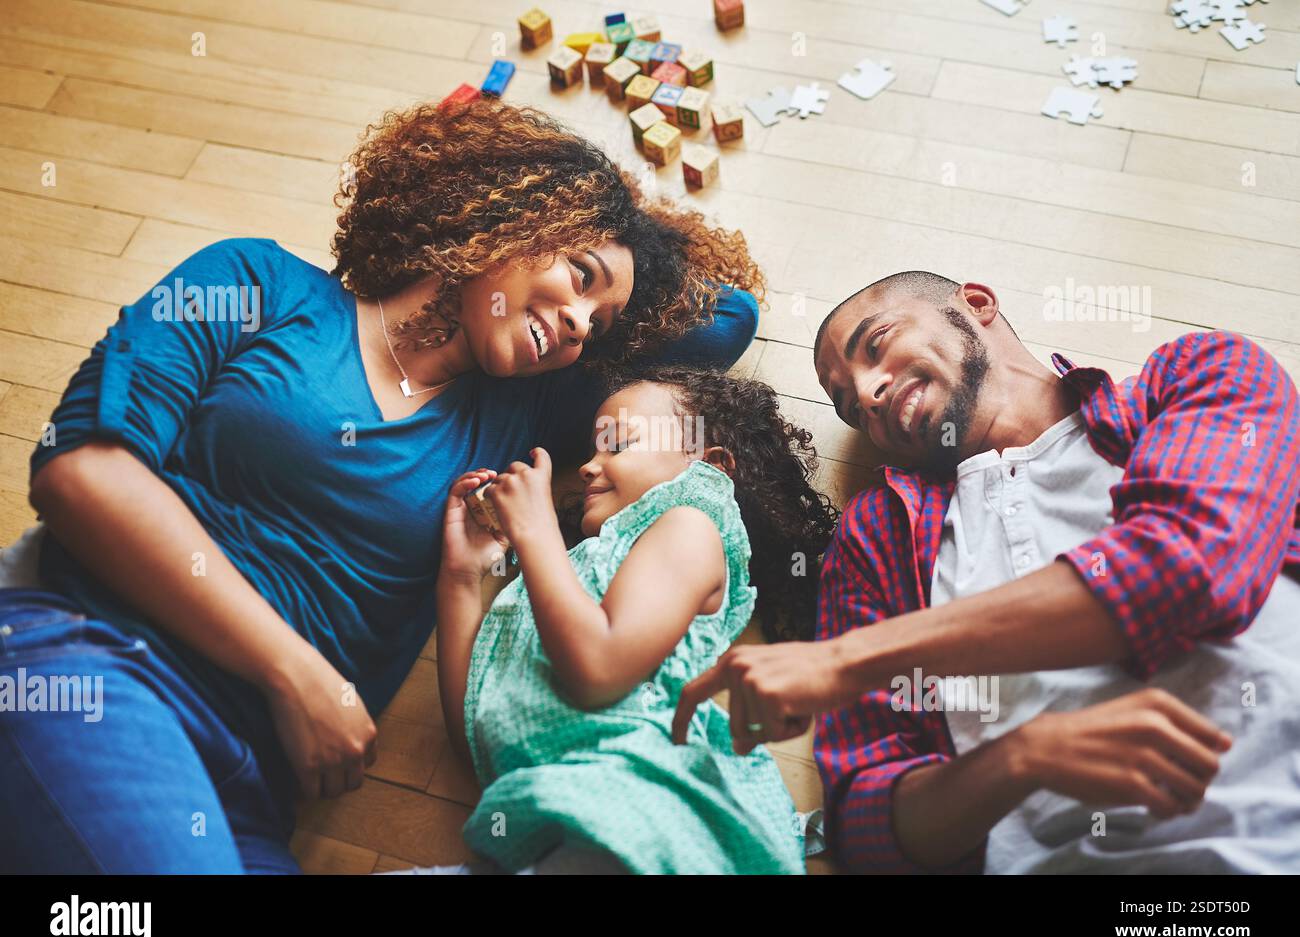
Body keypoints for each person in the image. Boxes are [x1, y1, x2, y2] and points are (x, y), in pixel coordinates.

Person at [0, 99, 764, 873]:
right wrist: (292, 671)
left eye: (598, 326)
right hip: (98, 665)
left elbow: (728, 321)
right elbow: (80, 471)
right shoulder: (257, 282)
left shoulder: (517, 412)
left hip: (249, 791)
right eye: (581, 275)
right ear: (515, 215)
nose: (578, 325)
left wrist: (629, 248)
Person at [672, 271, 1300, 873]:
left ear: (976, 303)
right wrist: (1020, 757)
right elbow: (868, 824)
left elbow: (1188, 569)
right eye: (848, 406)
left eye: (878, 343)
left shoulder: (1197, 378)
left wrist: (845, 661)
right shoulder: (876, 541)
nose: (867, 395)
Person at [426, 366, 838, 873]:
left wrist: (536, 533)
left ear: (708, 467)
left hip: (642, 818)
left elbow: (597, 669)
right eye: (592, 451)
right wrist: (461, 577)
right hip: (566, 831)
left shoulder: (691, 523)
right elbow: (478, 731)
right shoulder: (568, 581)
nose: (588, 467)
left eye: (618, 445)